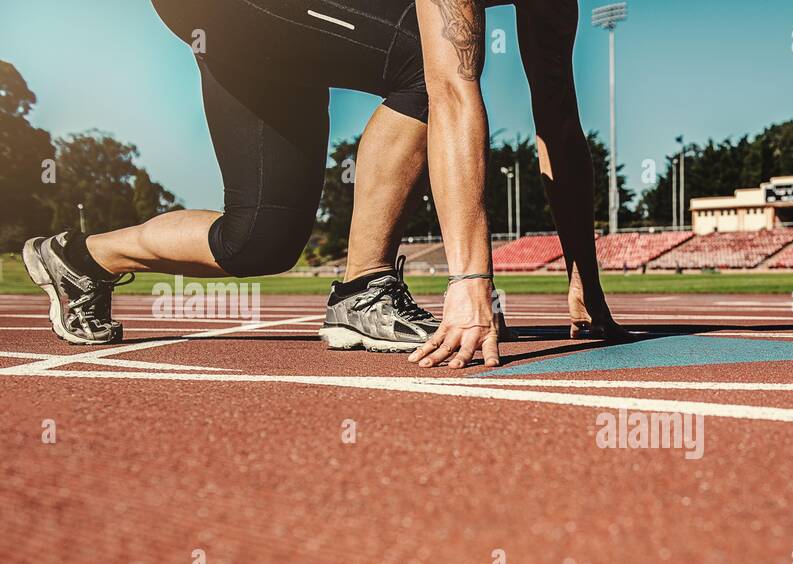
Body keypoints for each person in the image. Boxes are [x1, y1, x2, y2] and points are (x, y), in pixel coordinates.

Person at [23, 0, 621, 368]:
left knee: (260, 239)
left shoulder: (553, 6)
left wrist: (585, 287)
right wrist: (470, 279)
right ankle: (362, 288)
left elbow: (560, 126)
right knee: (425, 52)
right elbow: (451, 91)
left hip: (263, 27)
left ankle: (82, 257)